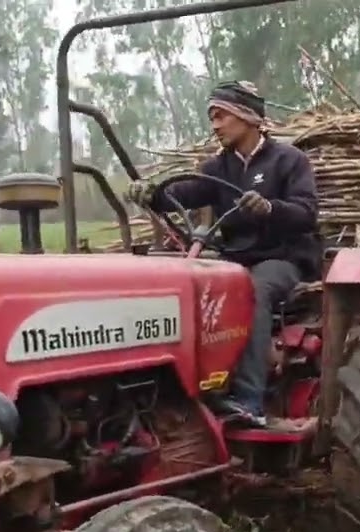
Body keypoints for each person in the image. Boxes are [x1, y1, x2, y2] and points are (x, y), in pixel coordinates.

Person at [126, 81, 321, 428]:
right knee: (189, 286)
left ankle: (249, 400)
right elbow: (185, 193)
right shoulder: (218, 168)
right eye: (211, 118)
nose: (214, 125)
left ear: (248, 117)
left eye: (221, 116)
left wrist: (270, 208)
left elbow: (306, 213)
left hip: (285, 258)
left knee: (250, 289)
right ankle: (190, 391)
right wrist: (153, 195)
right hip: (234, 259)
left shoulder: (289, 160)